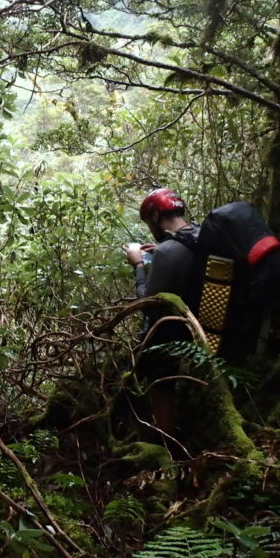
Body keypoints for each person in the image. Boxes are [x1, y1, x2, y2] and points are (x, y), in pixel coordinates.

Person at [122, 188, 202, 438]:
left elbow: (146, 302)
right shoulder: (204, 234)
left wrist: (138, 265)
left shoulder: (168, 251)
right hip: (210, 318)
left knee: (154, 361)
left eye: (149, 221)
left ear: (156, 216)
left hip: (179, 330)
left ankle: (164, 439)